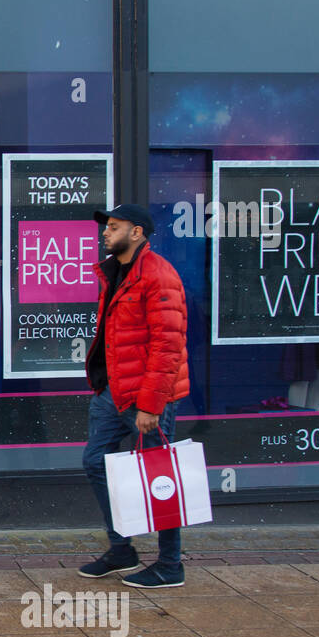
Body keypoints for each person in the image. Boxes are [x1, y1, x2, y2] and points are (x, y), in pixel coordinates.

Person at [77, 204, 190, 588]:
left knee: (161, 477)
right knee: (96, 461)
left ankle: (171, 565)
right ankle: (122, 548)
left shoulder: (158, 276)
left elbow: (168, 346)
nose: (105, 233)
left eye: (113, 227)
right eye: (106, 227)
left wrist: (151, 405)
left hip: (145, 396)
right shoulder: (116, 273)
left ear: (137, 232)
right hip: (113, 391)